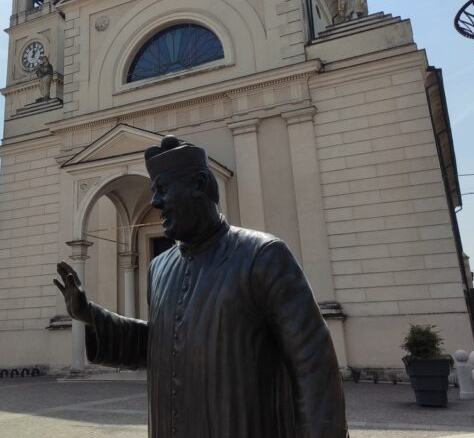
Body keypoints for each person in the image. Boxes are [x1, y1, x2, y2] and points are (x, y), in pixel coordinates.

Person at [55, 135, 348, 438]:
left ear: (198, 184)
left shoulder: (263, 256)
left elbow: (314, 365)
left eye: (163, 189)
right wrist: (90, 315)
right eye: (153, 191)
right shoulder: (159, 268)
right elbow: (159, 345)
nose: (155, 201)